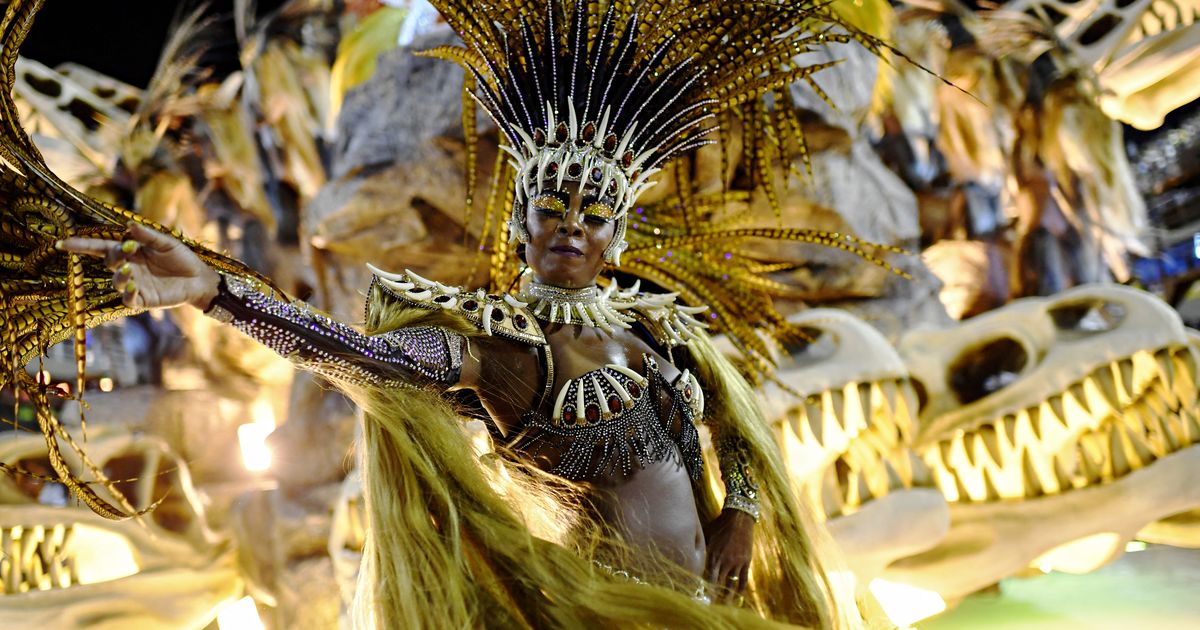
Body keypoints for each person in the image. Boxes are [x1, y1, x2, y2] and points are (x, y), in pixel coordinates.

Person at [23, 1, 905, 627]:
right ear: (519, 224)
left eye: (591, 212)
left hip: (717, 611)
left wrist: (742, 519)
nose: (569, 223)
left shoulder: (660, 330)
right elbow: (359, 359)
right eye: (551, 205)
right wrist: (218, 293)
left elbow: (737, 439)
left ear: (619, 231)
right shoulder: (498, 353)